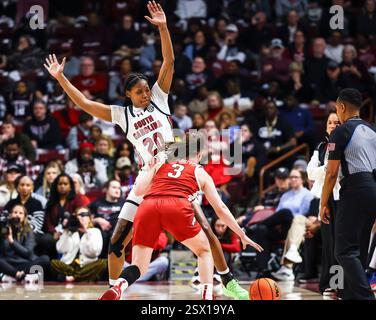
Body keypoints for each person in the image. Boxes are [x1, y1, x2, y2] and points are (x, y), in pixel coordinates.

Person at [44, 1, 248, 300]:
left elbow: (169, 62)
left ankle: (228, 282)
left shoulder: (158, 99)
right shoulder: (122, 115)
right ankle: (116, 289)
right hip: (147, 178)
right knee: (116, 241)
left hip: (175, 172)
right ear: (128, 94)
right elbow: (86, 105)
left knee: (207, 233)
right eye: (138, 92)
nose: (144, 94)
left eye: (145, 89)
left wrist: (163, 28)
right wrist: (62, 78)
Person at [99, 134, 263, 300]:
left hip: (148, 206)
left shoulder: (162, 163)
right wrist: (241, 234)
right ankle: (207, 297)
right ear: (198, 154)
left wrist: (149, 168)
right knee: (204, 250)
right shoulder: (200, 171)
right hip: (176, 205)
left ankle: (118, 286)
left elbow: (139, 190)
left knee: (139, 266)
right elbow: (220, 209)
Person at [320, 88, 376, 300]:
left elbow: (332, 172)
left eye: (337, 109)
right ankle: (353, 296)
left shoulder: (340, 132)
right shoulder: (372, 131)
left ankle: (365, 297)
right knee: (359, 251)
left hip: (355, 189)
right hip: (373, 190)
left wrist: (323, 203)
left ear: (342, 107)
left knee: (343, 251)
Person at [51, 207, 107, 282]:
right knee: (53, 263)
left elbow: (95, 252)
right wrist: (66, 231)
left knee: (102, 263)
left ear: (89, 218)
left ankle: (72, 278)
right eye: (78, 215)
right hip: (69, 265)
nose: (80, 217)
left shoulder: (95, 232)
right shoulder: (70, 231)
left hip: (86, 266)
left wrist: (86, 231)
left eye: (83, 215)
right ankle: (81, 277)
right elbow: (60, 249)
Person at [0, 204, 50, 282]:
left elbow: (27, 253)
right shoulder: (4, 229)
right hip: (7, 263)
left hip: (24, 264)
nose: (17, 215)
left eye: (20, 213)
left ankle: (19, 275)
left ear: (24, 217)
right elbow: (4, 251)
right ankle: (19, 275)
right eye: (15, 212)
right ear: (10, 215)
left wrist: (12, 241)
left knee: (45, 259)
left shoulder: (29, 231)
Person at [89, 179, 125, 258]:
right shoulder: (97, 203)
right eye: (114, 188)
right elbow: (85, 217)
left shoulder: (124, 203)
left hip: (116, 234)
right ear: (106, 189)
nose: (117, 190)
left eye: (119, 188)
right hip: (99, 235)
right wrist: (97, 220)